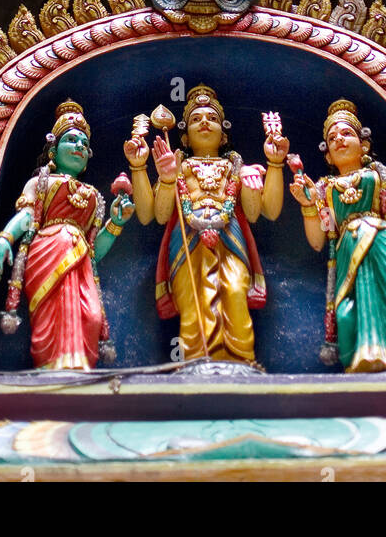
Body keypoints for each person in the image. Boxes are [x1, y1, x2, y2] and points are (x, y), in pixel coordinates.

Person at [123, 84, 288, 364]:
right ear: (184, 138)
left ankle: (240, 362)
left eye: (211, 118)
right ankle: (196, 362)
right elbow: (156, 216)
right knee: (193, 302)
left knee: (235, 291)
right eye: (197, 119)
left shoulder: (235, 167)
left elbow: (264, 212)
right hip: (187, 240)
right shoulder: (179, 167)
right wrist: (154, 173)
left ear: (224, 135)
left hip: (230, 238)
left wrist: (273, 163)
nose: (204, 123)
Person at [290, 99, 386, 373]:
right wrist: (308, 205)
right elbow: (318, 241)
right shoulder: (325, 188)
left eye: (347, 134)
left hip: (383, 244)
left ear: (363, 145)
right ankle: (357, 361)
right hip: (347, 251)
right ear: (328, 156)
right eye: (332, 138)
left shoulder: (377, 176)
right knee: (345, 314)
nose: (339, 140)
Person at [0, 102, 132, 370]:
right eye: (71, 140)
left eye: (83, 143)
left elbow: (94, 250)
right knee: (56, 310)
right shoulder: (41, 182)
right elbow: (29, 217)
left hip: (82, 263)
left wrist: (116, 223)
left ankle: (79, 366)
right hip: (48, 253)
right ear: (53, 150)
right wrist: (5, 238)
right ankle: (52, 367)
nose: (78, 146)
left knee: (90, 316)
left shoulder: (94, 197)